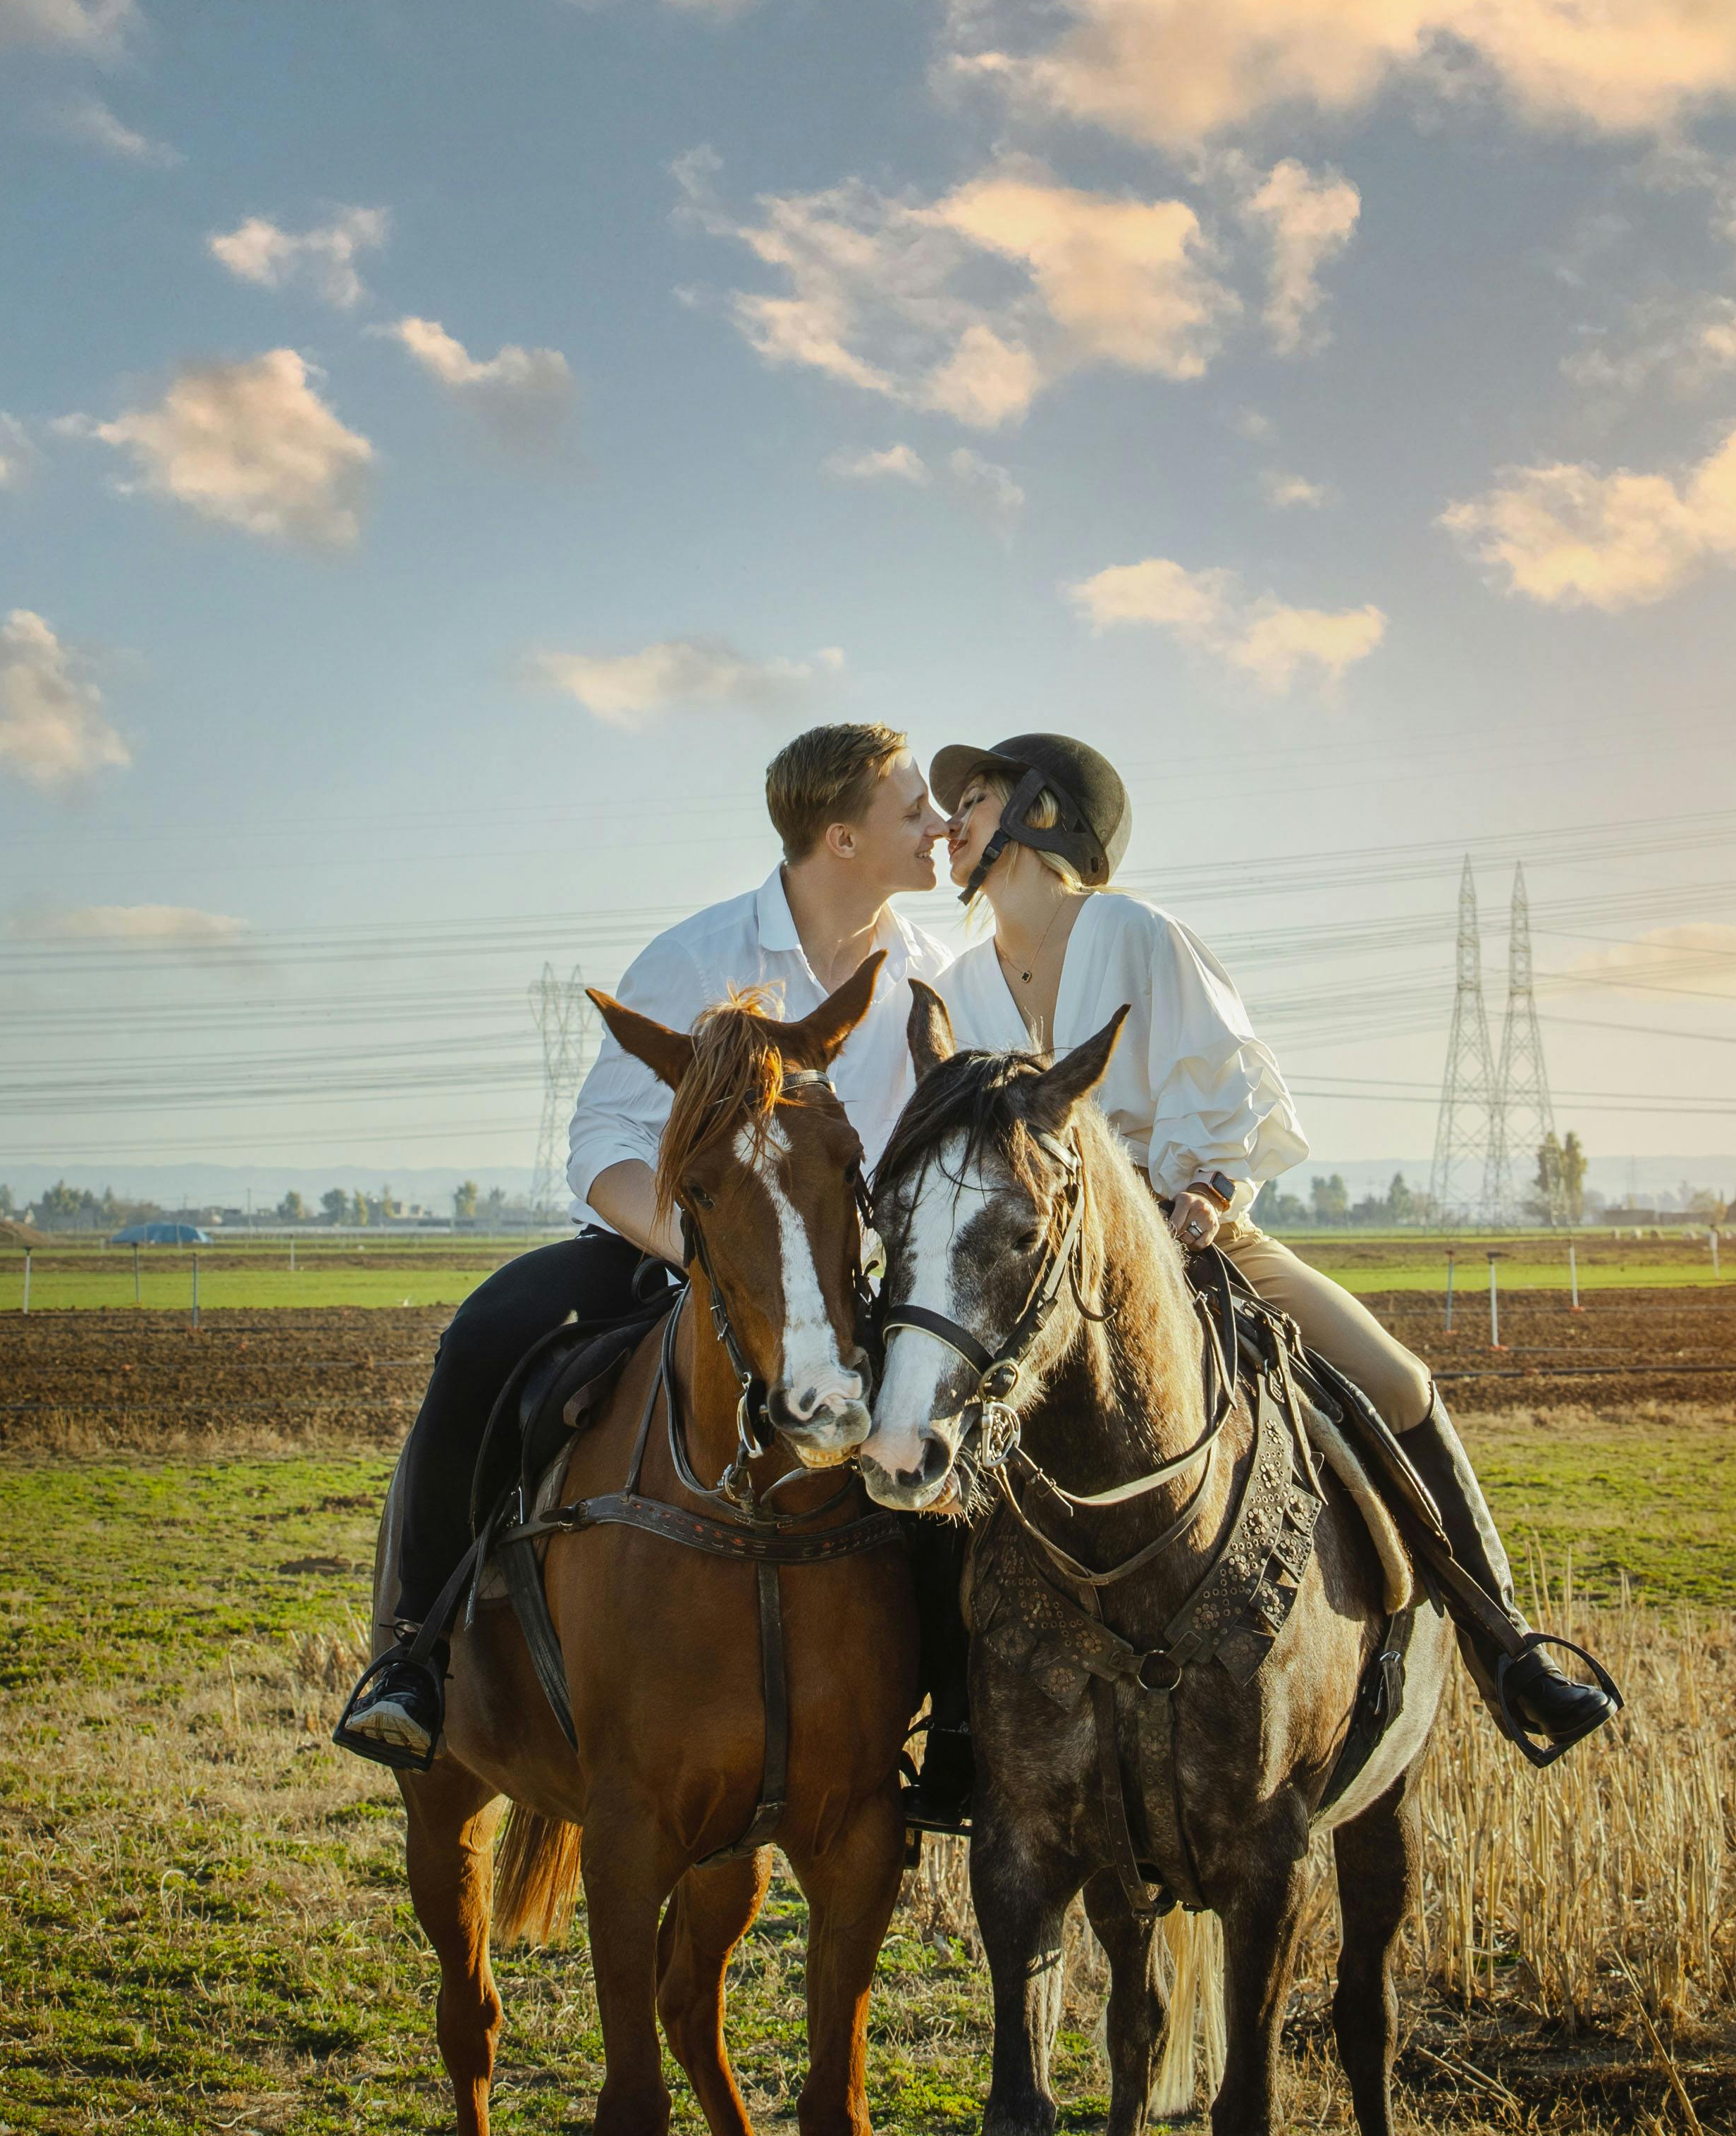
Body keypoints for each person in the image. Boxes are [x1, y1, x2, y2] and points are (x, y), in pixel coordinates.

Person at [922, 733, 1618, 1765]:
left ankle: (1505, 1647)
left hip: (1193, 1245)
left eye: (973, 801)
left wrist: (1206, 1194)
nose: (949, 827)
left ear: (1038, 815)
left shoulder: (1138, 935)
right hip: (1036, 1278)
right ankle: (959, 1727)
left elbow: (1236, 1092)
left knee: (1402, 1381)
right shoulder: (959, 983)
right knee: (932, 1437)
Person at [337, 718, 982, 1821]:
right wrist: (699, 1251)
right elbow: (602, 1141)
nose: (942, 826)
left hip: (848, 1285)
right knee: (487, 1334)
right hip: (668, 1258)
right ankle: (412, 1657)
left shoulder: (936, 978)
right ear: (840, 838)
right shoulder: (697, 955)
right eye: (914, 808)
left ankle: (962, 1732)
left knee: (964, 1429)